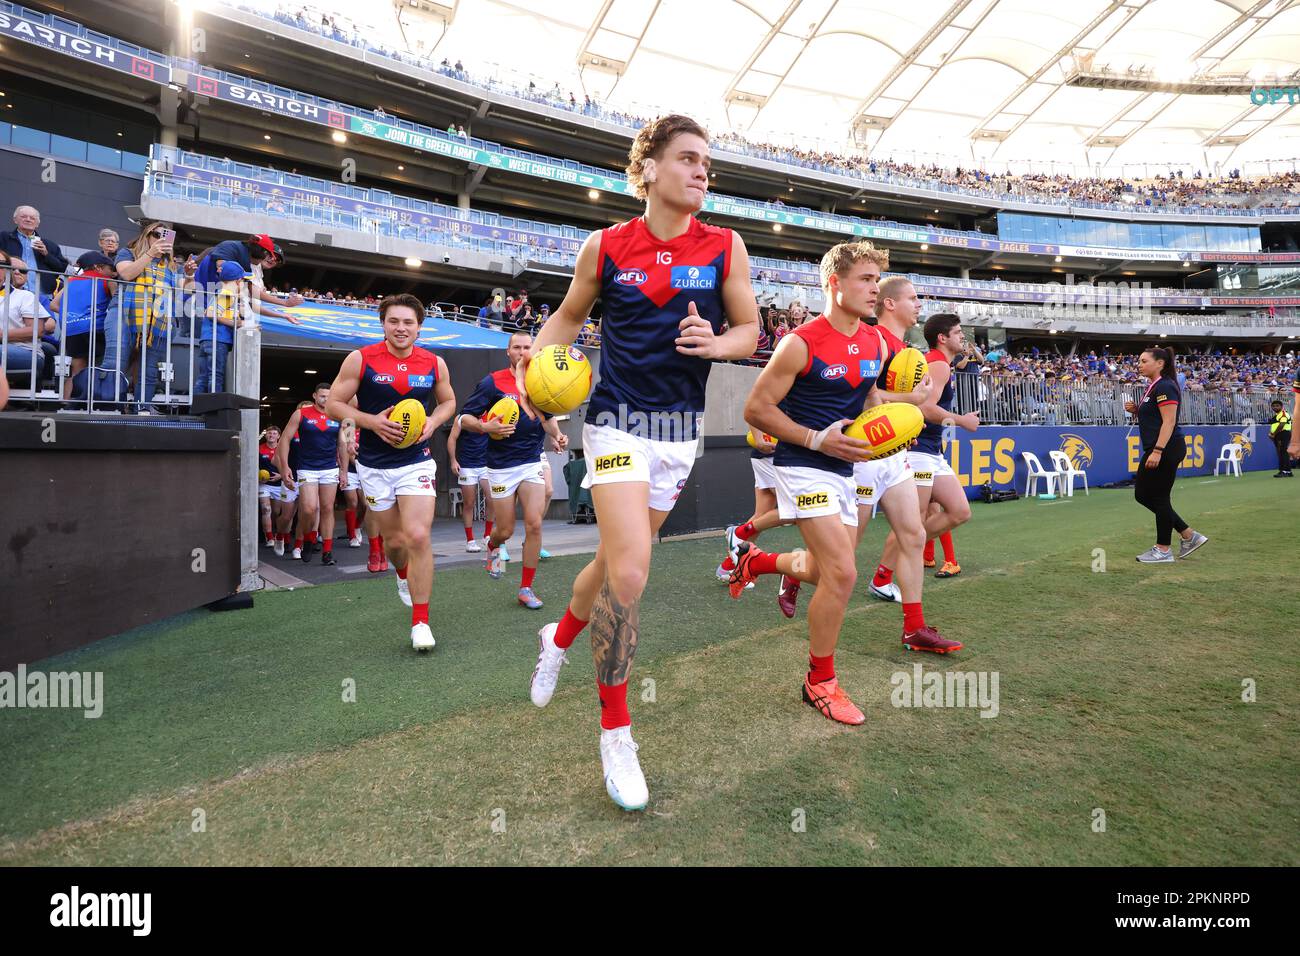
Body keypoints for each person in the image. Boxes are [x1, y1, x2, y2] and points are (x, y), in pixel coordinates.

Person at [521, 114, 759, 811]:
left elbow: (748, 330)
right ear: (647, 168)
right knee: (630, 570)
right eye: (687, 159)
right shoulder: (605, 245)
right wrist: (538, 368)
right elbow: (567, 317)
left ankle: (557, 632)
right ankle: (616, 732)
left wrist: (718, 344)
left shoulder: (726, 246)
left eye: (707, 164)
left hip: (678, 430)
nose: (701, 172)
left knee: (623, 558)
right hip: (617, 419)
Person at [729, 240, 926, 723]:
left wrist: (885, 430)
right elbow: (756, 410)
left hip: (845, 467)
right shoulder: (800, 342)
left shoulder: (876, 342)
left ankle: (758, 561)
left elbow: (867, 397)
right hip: (801, 464)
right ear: (834, 284)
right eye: (865, 280)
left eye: (877, 282)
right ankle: (819, 682)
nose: (874, 291)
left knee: (823, 570)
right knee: (843, 573)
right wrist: (817, 440)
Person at [326, 294, 456, 651]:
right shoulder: (361, 359)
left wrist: (434, 421)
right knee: (396, 543)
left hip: (416, 461)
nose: (401, 328)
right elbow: (335, 404)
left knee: (417, 535)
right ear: (383, 323)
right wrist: (371, 423)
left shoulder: (434, 363)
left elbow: (448, 402)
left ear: (419, 326)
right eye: (394, 321)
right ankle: (402, 574)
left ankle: (421, 622)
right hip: (373, 465)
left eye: (408, 323)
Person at [862, 280, 964, 653]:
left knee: (915, 535)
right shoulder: (872, 339)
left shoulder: (906, 350)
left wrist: (911, 410)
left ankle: (914, 629)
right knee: (837, 558)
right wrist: (914, 402)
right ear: (890, 303)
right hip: (864, 456)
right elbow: (864, 397)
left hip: (897, 455)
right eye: (913, 298)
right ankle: (771, 565)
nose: (919, 305)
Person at [460, 331, 565, 609]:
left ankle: (526, 588)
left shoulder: (541, 381)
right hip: (500, 467)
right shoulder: (492, 382)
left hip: (531, 461)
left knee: (534, 523)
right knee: (504, 530)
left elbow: (548, 419)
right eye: (516, 347)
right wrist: (485, 426)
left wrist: (557, 435)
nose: (522, 351)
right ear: (508, 352)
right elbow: (464, 418)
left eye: (527, 347)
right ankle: (493, 546)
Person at [1124, 347, 1208, 563]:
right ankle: (1188, 535)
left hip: (1165, 448)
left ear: (1159, 363)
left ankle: (1163, 549)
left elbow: (1169, 421)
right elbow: (1157, 417)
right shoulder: (1155, 387)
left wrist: (1158, 451)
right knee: (1142, 495)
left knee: (1159, 498)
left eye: (1143, 361)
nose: (1139, 365)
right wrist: (1137, 410)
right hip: (1160, 447)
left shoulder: (1165, 386)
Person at [912, 313, 977, 581]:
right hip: (920, 450)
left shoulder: (935, 363)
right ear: (942, 338)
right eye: (958, 332)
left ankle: (923, 554)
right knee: (917, 520)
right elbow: (925, 408)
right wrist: (963, 421)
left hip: (928, 450)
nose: (963, 336)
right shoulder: (939, 365)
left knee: (944, 510)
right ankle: (888, 571)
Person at [102, 221, 194, 410]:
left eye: (165, 236)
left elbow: (187, 290)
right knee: (115, 361)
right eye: (156, 234)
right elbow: (127, 274)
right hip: (124, 311)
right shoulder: (129, 252)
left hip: (156, 318)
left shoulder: (170, 264)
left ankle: (142, 407)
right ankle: (108, 407)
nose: (160, 239)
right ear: (147, 235)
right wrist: (151, 253)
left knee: (149, 368)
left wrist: (190, 276)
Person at [278, 383, 344, 566]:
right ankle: (308, 539)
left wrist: (344, 471)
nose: (326, 400)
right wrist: (284, 467)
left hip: (330, 468)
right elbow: (285, 440)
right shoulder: (301, 414)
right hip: (307, 467)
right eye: (322, 396)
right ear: (315, 396)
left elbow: (342, 445)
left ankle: (327, 552)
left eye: (329, 397)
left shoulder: (337, 416)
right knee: (308, 509)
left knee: (327, 508)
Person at [50, 252, 115, 398]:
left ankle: (67, 404)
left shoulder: (71, 281)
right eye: (110, 268)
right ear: (99, 267)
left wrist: (74, 314)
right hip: (96, 329)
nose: (113, 272)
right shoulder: (106, 280)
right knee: (98, 369)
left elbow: (54, 305)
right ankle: (91, 404)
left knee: (76, 370)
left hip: (71, 329)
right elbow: (117, 304)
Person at [447, 399, 492, 552]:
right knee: (469, 503)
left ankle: (488, 536)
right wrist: (453, 461)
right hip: (467, 466)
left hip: (486, 464)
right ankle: (470, 540)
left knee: (492, 499)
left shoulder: (492, 414)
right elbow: (452, 439)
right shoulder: (462, 418)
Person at [1, 252, 53, 382]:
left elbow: (38, 330)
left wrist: (2, 335)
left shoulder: (26, 296)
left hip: (24, 351)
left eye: (2, 265)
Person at [1, 206, 67, 296]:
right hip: (9, 292)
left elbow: (61, 268)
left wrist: (46, 255)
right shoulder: (4, 238)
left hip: (42, 296)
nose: (28, 220)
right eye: (23, 216)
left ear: (37, 224)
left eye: (32, 218)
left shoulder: (49, 245)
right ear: (15, 220)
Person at [258, 427, 283, 548]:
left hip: (280, 485)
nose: (271, 435)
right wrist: (258, 475)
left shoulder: (283, 449)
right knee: (266, 510)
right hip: (264, 485)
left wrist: (282, 476)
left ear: (279, 436)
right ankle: (269, 538)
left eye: (274, 433)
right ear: (265, 435)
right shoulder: (258, 449)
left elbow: (290, 464)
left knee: (276, 512)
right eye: (269, 433)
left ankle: (276, 531)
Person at [1268, 399, 1292, 477]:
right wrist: (1271, 434)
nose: (1275, 407)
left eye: (1277, 406)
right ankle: (1285, 471)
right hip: (1278, 435)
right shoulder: (1276, 415)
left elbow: (1282, 425)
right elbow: (1274, 426)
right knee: (1281, 452)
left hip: (1283, 434)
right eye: (1273, 406)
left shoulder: (1283, 414)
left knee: (1283, 452)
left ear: (1282, 406)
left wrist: (1273, 434)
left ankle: (1285, 471)